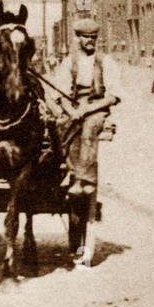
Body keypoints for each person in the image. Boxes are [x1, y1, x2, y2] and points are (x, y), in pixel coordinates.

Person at [49, 18, 118, 200]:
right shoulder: (69, 62)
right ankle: (73, 173)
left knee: (89, 129)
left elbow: (112, 96)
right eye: (86, 37)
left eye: (93, 37)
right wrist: (71, 111)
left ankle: (85, 179)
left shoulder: (105, 61)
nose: (90, 41)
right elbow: (61, 93)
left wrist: (86, 109)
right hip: (74, 106)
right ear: (78, 38)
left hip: (97, 108)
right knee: (62, 128)